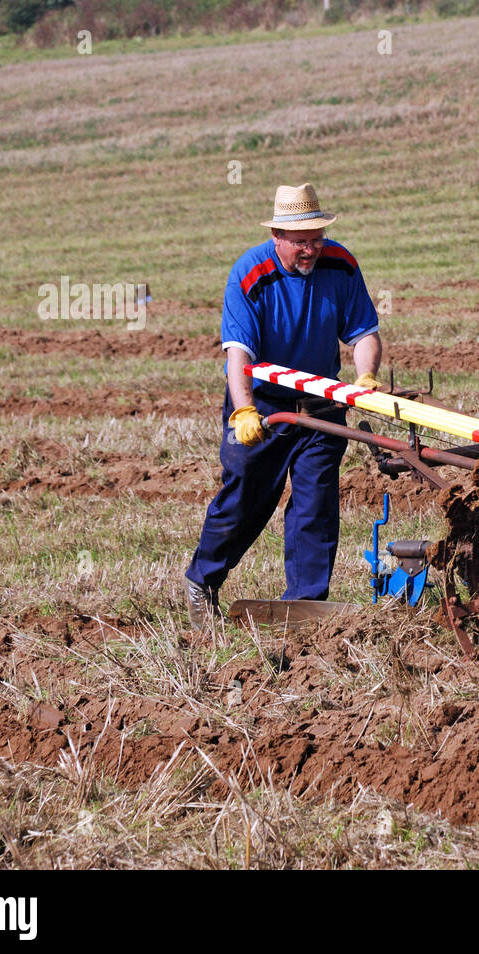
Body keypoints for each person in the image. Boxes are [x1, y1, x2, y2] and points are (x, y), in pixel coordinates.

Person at [184, 182, 383, 627]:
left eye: (317, 238)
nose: (311, 249)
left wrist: (365, 376)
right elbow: (239, 354)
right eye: (300, 242)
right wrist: (243, 410)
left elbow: (364, 333)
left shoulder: (342, 264)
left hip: (321, 402)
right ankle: (202, 581)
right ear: (277, 236)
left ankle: (305, 605)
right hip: (264, 403)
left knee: (315, 502)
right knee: (247, 496)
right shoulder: (250, 274)